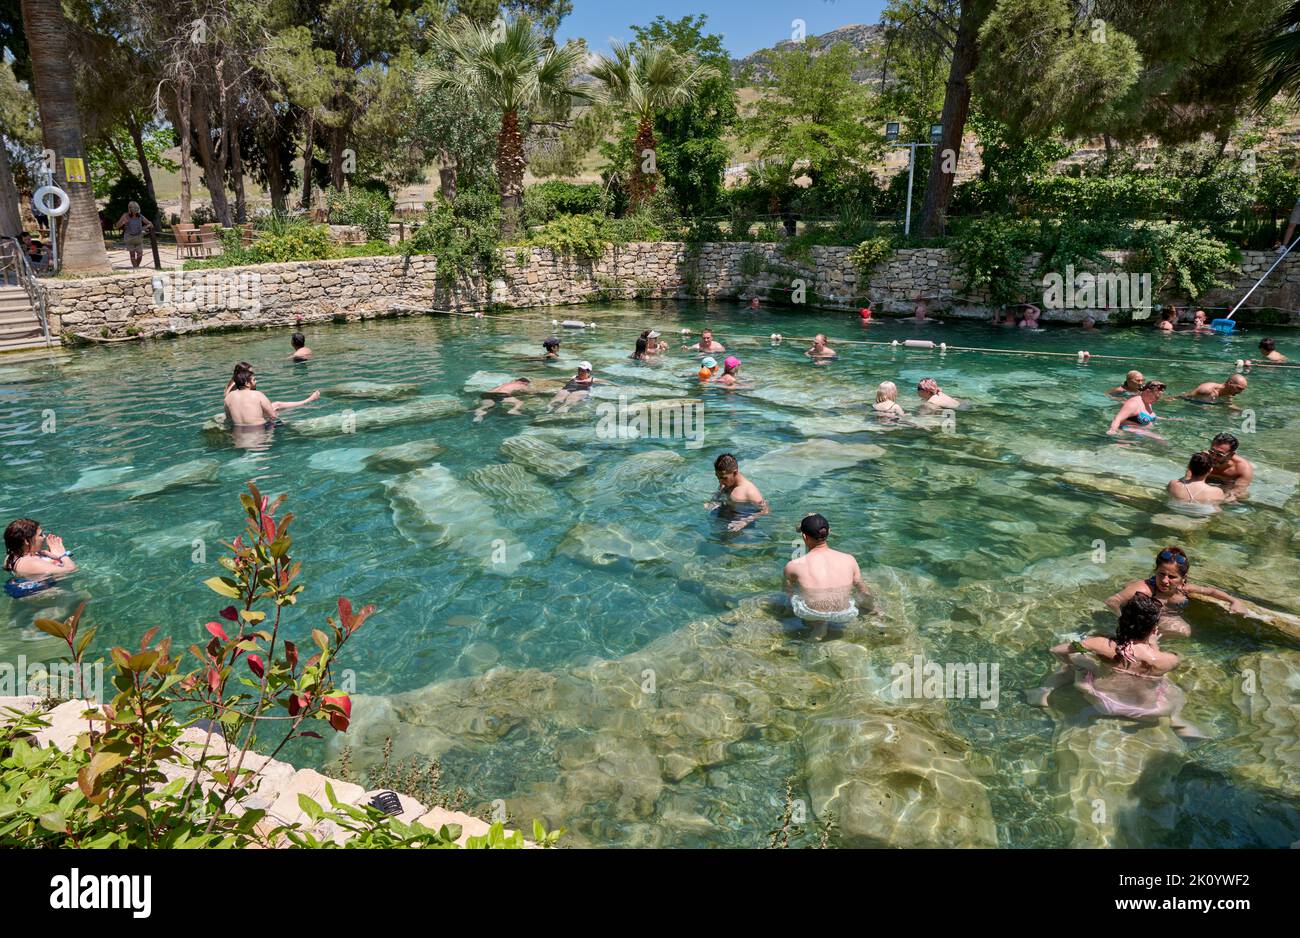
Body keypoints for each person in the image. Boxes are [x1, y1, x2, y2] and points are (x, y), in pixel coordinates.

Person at [1029, 595, 1200, 737]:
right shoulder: (1168, 659)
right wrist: (1154, 645)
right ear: (1154, 629)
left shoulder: (1102, 644)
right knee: (1170, 686)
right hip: (1147, 712)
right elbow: (1150, 660)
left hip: (1103, 703)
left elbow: (1057, 650)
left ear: (1122, 621)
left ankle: (1043, 692)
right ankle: (1178, 721)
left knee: (1080, 662)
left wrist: (1082, 657)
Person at [1105, 546, 1245, 639]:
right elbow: (1112, 601)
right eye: (1161, 574)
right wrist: (1126, 623)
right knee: (1183, 630)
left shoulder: (1183, 588)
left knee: (1184, 631)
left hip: (1161, 616)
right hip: (1140, 618)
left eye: (1172, 577)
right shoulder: (1146, 589)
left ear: (1183, 579)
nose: (1165, 581)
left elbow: (1211, 591)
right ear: (1155, 571)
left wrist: (1234, 601)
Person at [782, 513, 873, 640]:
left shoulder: (793, 566)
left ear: (803, 536)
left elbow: (788, 594)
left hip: (811, 613)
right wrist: (873, 608)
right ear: (829, 532)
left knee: (798, 596)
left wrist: (786, 614)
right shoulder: (849, 559)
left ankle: (819, 625)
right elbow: (863, 590)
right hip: (844, 612)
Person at [224, 364, 320, 426]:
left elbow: (229, 419)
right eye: (254, 379)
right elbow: (273, 417)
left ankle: (307, 400)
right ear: (246, 383)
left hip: (239, 431)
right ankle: (308, 402)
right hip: (260, 430)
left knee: (276, 405)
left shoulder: (229, 397)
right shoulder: (257, 394)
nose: (256, 381)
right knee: (281, 416)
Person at [705, 453, 770, 531]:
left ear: (735, 473)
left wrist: (744, 522)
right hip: (725, 517)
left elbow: (765, 510)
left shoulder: (750, 492)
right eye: (718, 477)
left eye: (724, 478)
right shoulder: (726, 482)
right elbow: (719, 493)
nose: (720, 482)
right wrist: (713, 501)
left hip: (740, 524)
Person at [4, 519, 77, 587]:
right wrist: (62, 554)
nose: (44, 536)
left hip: (24, 587)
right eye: (41, 535)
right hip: (40, 593)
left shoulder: (11, 557)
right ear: (26, 541)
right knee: (83, 598)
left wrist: (49, 555)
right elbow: (71, 570)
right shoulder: (32, 563)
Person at [1198, 432, 1254, 496]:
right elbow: (1189, 478)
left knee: (1243, 496)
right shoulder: (1203, 458)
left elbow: (1237, 492)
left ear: (1231, 455)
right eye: (1211, 451)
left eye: (1219, 455)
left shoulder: (1242, 468)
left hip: (1227, 486)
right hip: (1205, 482)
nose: (1213, 457)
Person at [114, 201, 154, 269]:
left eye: (136, 208)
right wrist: (123, 222)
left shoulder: (140, 216)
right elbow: (117, 226)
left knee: (140, 255)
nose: (135, 210)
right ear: (130, 209)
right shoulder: (125, 215)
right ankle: (135, 268)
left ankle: (136, 267)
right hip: (129, 237)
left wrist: (146, 227)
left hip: (139, 237)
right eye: (134, 208)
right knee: (132, 254)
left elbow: (150, 224)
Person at [1180, 373, 1247, 406]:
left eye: (1242, 390)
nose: (1240, 392)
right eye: (1239, 388)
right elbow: (1186, 397)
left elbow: (1228, 405)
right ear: (1230, 383)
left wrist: (1242, 412)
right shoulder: (1206, 389)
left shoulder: (1229, 394)